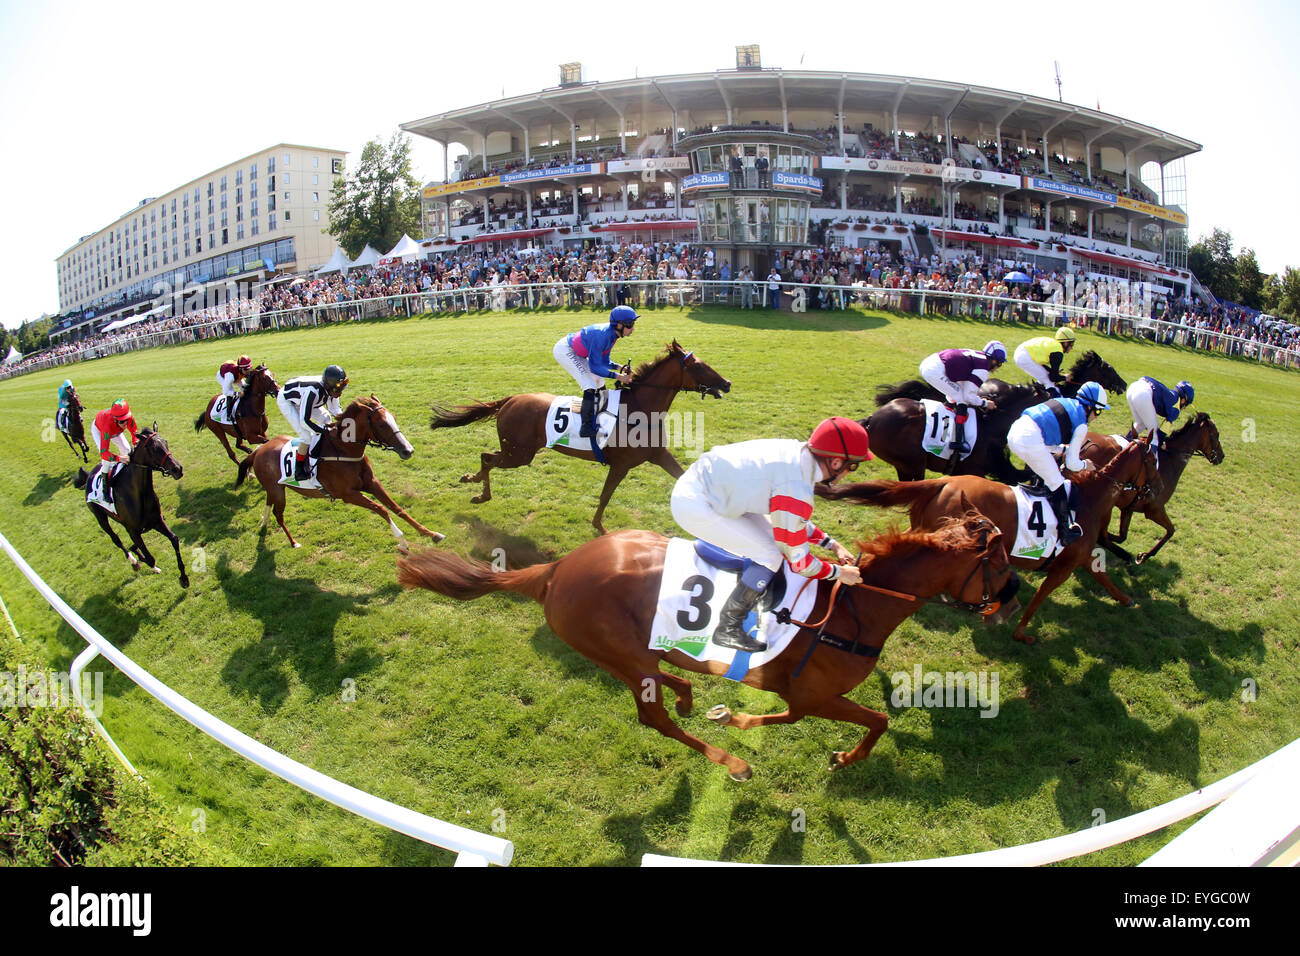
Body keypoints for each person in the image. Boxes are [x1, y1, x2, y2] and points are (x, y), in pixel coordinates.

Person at [670, 417, 872, 654]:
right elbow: (800, 563)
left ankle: (751, 593)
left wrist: (832, 544)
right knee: (770, 555)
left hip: (715, 489)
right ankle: (728, 628)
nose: (851, 472)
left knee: (772, 546)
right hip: (697, 503)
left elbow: (791, 520)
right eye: (853, 466)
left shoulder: (798, 454)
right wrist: (839, 573)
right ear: (836, 462)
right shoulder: (797, 488)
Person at [1006, 381, 1109, 546]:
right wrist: (1085, 465)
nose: (1097, 416)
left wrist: (1061, 449)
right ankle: (1065, 531)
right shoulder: (1081, 423)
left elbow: (1045, 432)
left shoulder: (1065, 401)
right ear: (1089, 407)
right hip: (1030, 439)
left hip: (1015, 432)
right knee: (1057, 482)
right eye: (1098, 411)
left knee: (1046, 471)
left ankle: (1037, 498)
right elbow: (1072, 464)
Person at [553, 305, 637, 438]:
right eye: (630, 325)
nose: (633, 328)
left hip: (577, 352)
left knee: (598, 379)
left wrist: (619, 367)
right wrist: (619, 377)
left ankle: (605, 408)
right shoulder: (603, 336)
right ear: (619, 325)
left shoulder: (613, 334)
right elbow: (595, 367)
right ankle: (586, 428)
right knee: (590, 385)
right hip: (565, 351)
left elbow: (603, 361)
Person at [919, 341, 1006, 454]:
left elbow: (965, 384)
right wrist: (984, 403)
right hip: (935, 371)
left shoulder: (979, 356)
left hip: (930, 363)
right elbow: (968, 396)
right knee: (962, 399)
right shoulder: (983, 369)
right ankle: (956, 441)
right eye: (999, 364)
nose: (998, 368)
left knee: (956, 395)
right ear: (994, 361)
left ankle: (946, 420)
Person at [277, 366, 348, 482]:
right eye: (337, 390)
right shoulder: (313, 390)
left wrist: (348, 422)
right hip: (288, 401)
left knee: (326, 418)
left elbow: (336, 411)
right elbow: (304, 421)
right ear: (328, 386)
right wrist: (326, 431)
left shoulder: (330, 388)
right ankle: (299, 469)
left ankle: (321, 450)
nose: (340, 393)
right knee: (306, 436)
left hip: (306, 399)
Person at [90, 399, 139, 504]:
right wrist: (119, 458)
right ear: (115, 419)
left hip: (115, 430)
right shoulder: (107, 426)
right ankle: (105, 489)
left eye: (126, 419)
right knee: (107, 461)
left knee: (127, 450)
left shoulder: (128, 418)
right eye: (122, 421)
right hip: (99, 430)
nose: (125, 423)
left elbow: (135, 434)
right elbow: (104, 453)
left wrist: (136, 443)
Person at [1125, 377, 1193, 447]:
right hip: (1143, 393)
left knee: (1141, 424)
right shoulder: (1176, 407)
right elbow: (1163, 431)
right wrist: (1160, 443)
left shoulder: (1170, 395)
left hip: (1133, 387)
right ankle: (1153, 457)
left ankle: (1124, 444)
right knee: (1154, 437)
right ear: (1183, 400)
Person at [1014, 327, 1076, 393]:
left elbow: (1051, 373)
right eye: (1071, 344)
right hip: (1024, 356)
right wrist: (1065, 378)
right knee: (1049, 382)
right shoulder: (1058, 352)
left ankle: (1037, 391)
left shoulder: (1054, 344)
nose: (1072, 347)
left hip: (1021, 352)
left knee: (1044, 378)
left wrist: (1053, 372)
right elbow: (1053, 377)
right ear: (1066, 343)